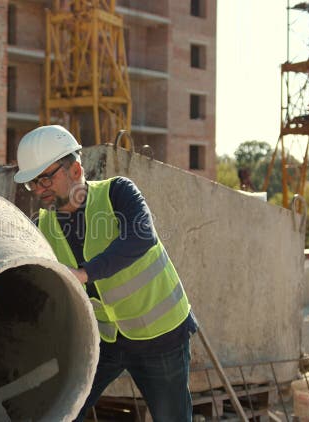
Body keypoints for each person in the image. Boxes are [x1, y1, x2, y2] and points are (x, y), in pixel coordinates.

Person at [13, 125, 198, 422]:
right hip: (105, 341)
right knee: (62, 411)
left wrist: (84, 274)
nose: (38, 189)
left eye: (45, 178)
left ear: (75, 170)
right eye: (32, 183)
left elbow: (141, 238)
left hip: (160, 336)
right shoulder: (43, 224)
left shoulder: (118, 193)